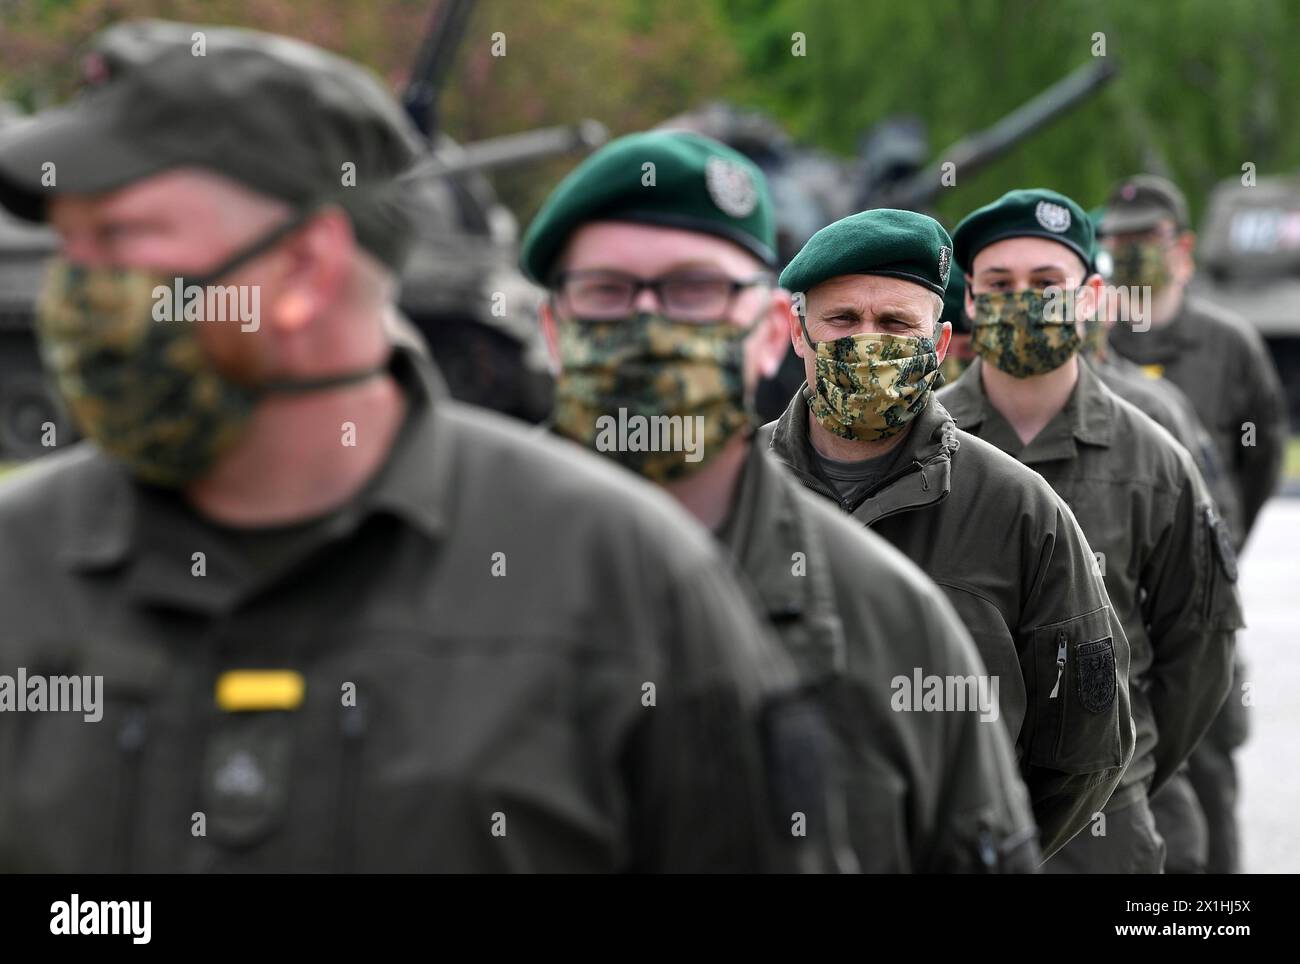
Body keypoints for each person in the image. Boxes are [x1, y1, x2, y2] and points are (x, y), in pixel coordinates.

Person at [0, 20, 834, 873]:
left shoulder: (619, 581)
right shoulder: (17, 562)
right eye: (71, 247)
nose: (77, 288)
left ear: (304, 268)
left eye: (121, 240)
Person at [520, 130, 1039, 871]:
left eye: (694, 290)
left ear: (767, 334)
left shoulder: (889, 617)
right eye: (606, 292)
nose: (649, 324)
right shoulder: (447, 574)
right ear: (552, 329)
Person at [763, 206, 1135, 859]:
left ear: (937, 345)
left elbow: (1085, 747)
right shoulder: (731, 496)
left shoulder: (1019, 510)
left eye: (895, 323)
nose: (867, 342)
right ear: (798, 334)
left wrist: (983, 854)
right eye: (842, 320)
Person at [939, 187, 1242, 872]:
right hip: (958, 826)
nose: (1025, 299)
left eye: (1048, 283)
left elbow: (1199, 655)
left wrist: (1123, 770)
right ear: (972, 302)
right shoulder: (927, 447)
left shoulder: (1153, 458)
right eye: (1000, 283)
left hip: (1106, 834)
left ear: (1093, 297)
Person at [1102, 174, 1286, 873]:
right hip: (1111, 610)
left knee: (1208, 790)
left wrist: (1223, 537)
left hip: (1199, 611)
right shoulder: (1093, 340)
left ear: (1180, 247)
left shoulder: (1228, 343)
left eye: (1143, 240)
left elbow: (1261, 458)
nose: (1129, 254)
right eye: (1116, 243)